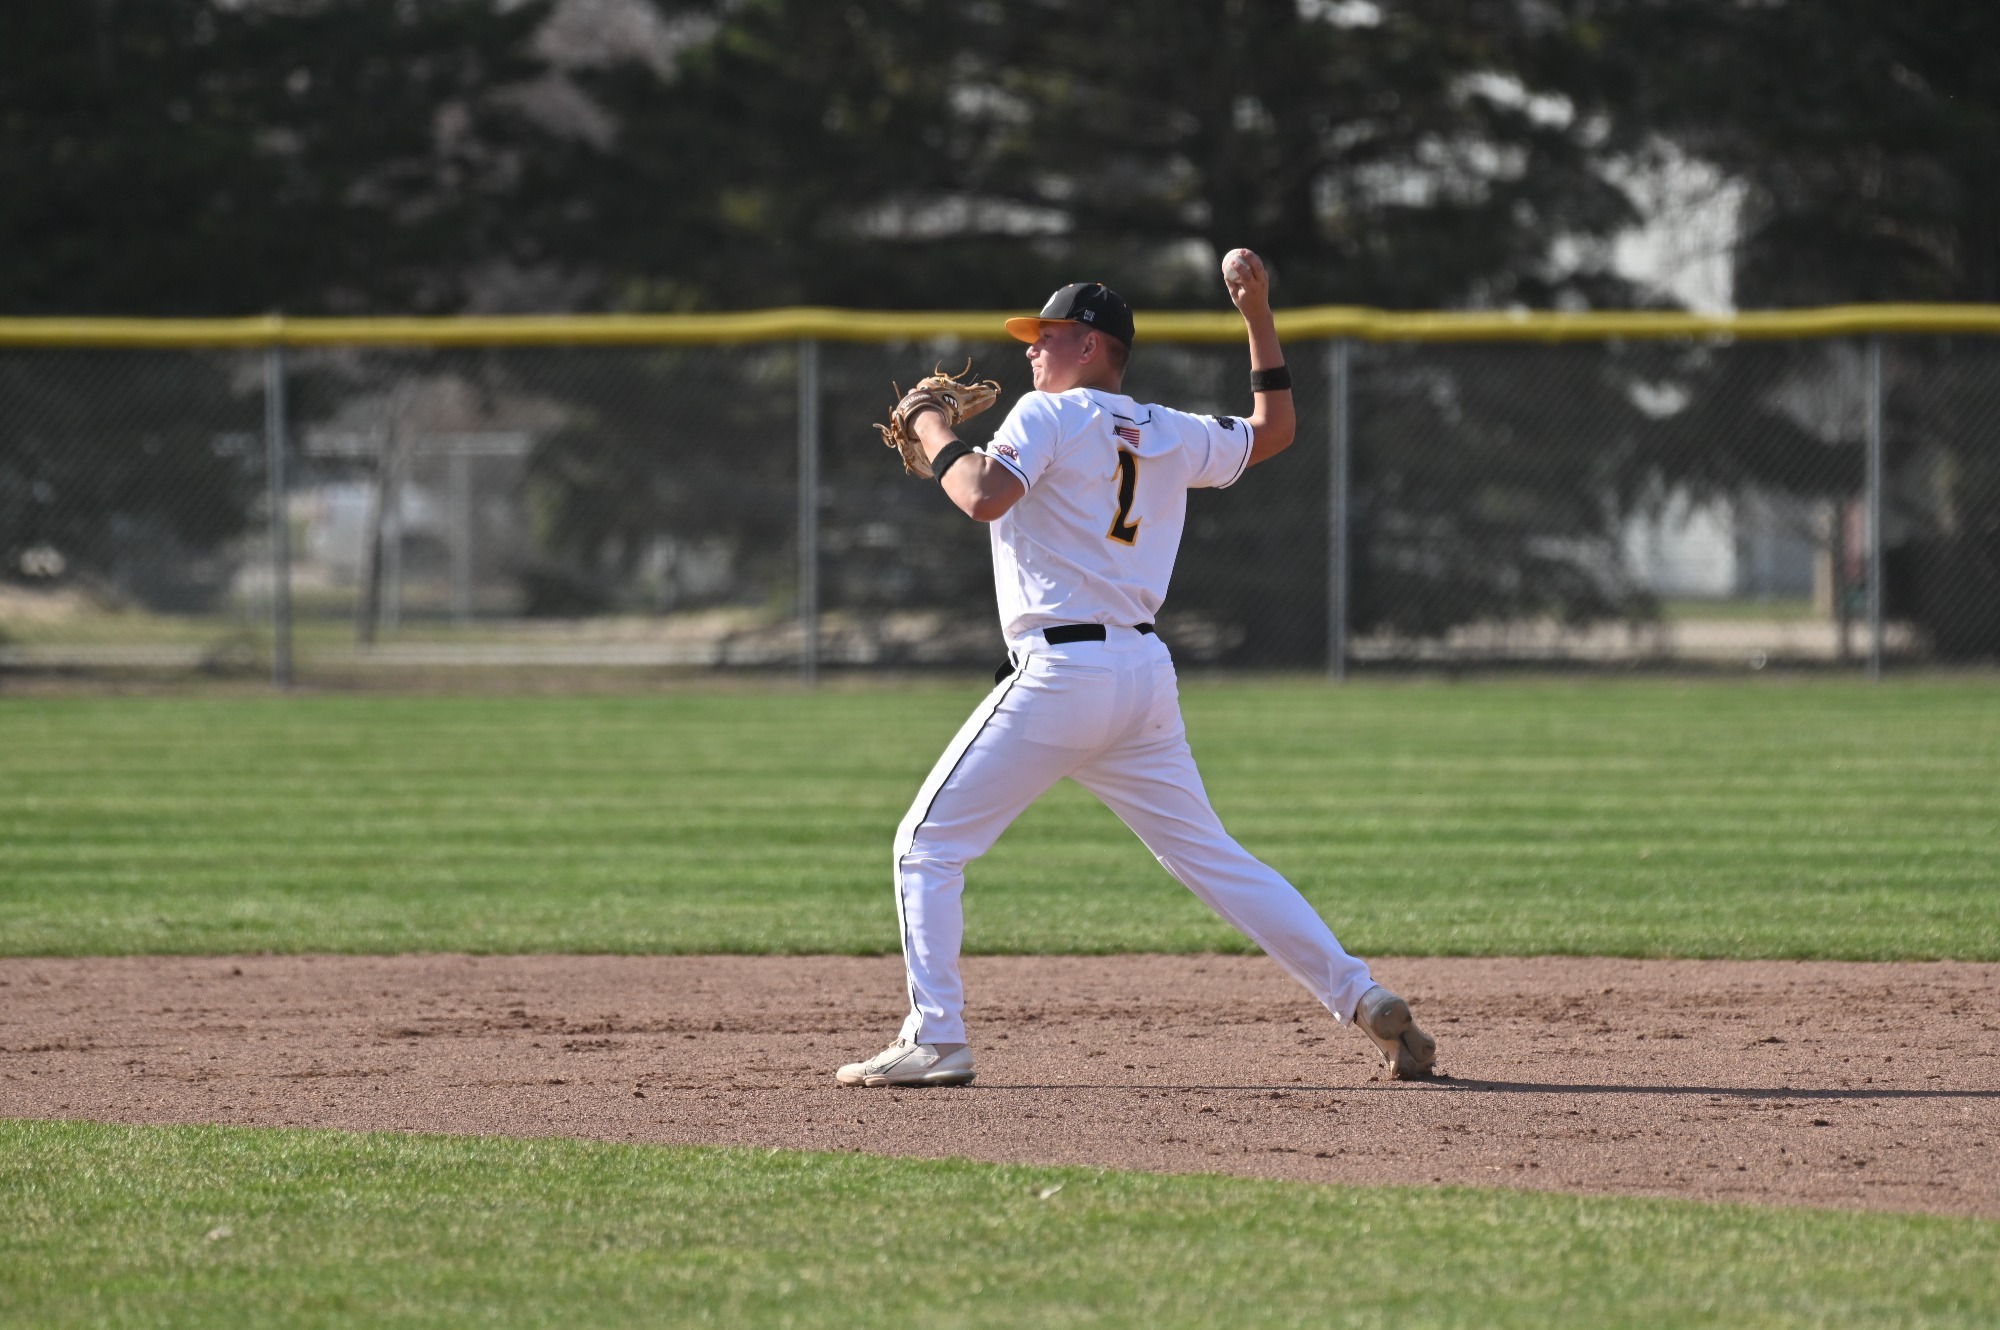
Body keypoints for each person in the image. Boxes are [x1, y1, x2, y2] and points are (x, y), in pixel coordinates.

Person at [836, 251, 1436, 1088]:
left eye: (1045, 337)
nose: (1031, 352)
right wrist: (1259, 315)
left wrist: (933, 426)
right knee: (1215, 859)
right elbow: (1276, 432)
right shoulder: (1170, 429)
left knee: (924, 846)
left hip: (1062, 675)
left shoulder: (1048, 418)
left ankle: (937, 1036)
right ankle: (1360, 992)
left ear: (1088, 343)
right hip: (1142, 679)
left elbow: (981, 497)